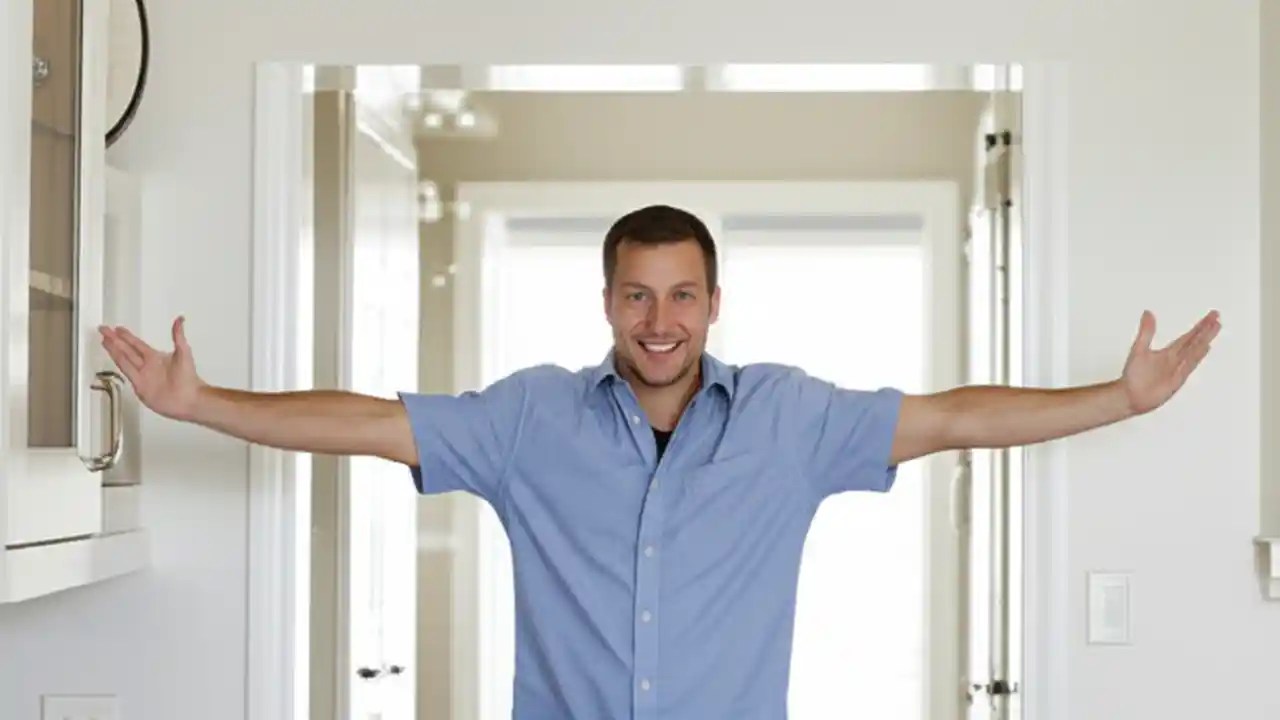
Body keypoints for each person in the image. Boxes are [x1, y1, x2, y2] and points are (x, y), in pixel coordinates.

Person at [98, 204, 1220, 719]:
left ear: (714, 302)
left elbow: (952, 419)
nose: (659, 321)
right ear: (607, 302)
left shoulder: (791, 419)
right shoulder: (528, 420)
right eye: (637, 295)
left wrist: (1117, 400)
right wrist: (202, 404)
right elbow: (365, 423)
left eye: (681, 294)